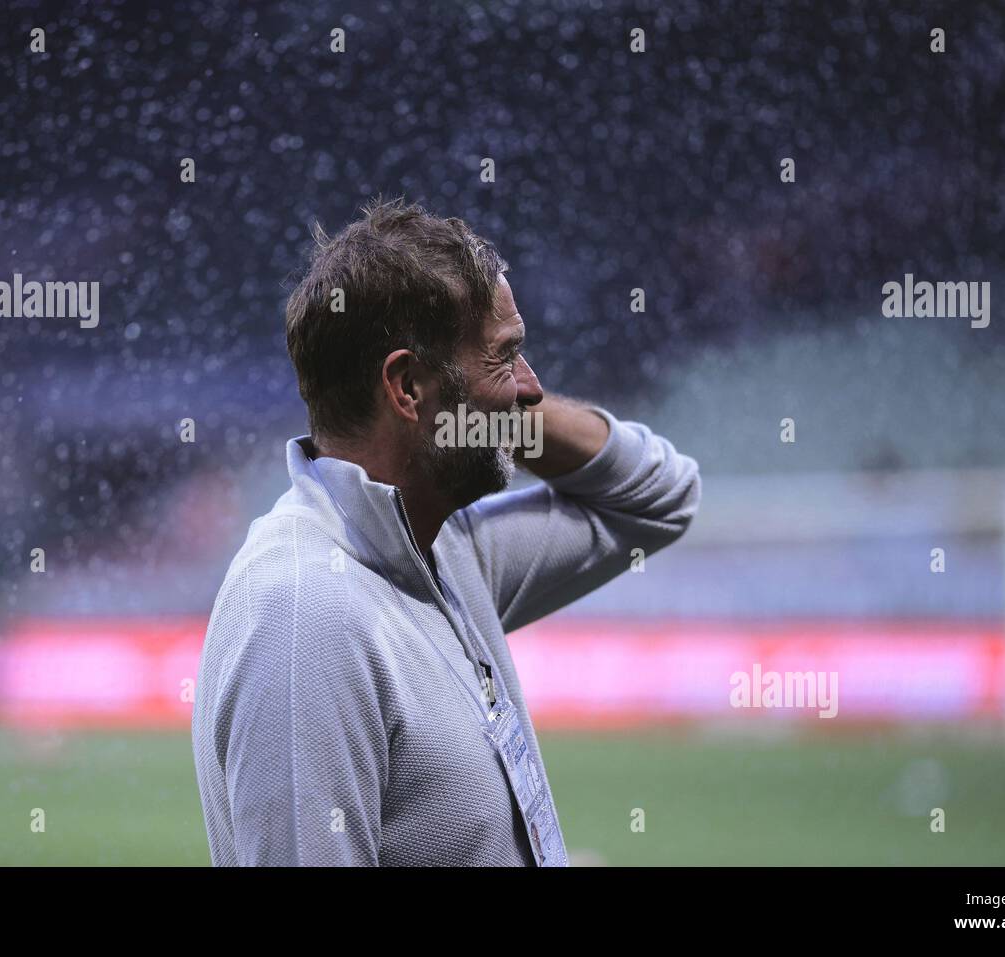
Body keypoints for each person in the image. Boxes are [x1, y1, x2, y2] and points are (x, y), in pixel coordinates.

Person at [192, 197, 701, 865]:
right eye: (506, 356)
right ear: (406, 386)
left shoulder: (441, 543)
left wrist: (487, 412)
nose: (532, 389)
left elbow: (658, 499)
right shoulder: (304, 614)